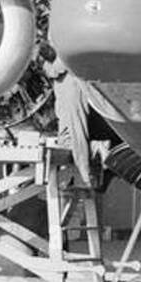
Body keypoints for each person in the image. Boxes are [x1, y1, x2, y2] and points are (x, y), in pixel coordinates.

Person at [41, 47, 92, 186]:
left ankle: (84, 174)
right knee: (66, 133)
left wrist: (50, 64)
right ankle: (73, 172)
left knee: (76, 131)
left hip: (72, 86)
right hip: (62, 87)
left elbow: (64, 62)